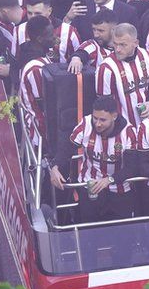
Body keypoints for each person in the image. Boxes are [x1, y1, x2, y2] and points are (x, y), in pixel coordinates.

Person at [53, 95, 138, 223]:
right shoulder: (86, 123)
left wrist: (109, 180)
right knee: (89, 230)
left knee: (120, 233)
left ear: (114, 116)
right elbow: (67, 148)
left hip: (119, 191)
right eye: (95, 118)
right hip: (90, 188)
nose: (97, 124)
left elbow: (132, 167)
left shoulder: (129, 132)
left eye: (103, 120)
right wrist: (55, 167)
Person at [96, 23, 149, 126]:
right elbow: (104, 107)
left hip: (146, 126)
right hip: (122, 130)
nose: (117, 49)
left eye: (123, 45)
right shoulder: (106, 68)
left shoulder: (145, 55)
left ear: (135, 43)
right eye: (115, 44)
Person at [16, 17, 56, 150]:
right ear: (39, 39)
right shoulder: (35, 68)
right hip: (40, 131)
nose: (54, 37)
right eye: (51, 35)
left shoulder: (37, 54)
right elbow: (43, 105)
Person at [22, 0, 80, 65]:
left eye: (38, 13)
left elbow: (78, 59)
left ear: (49, 11)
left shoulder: (69, 32)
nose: (33, 17)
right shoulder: (19, 31)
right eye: (29, 13)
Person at [67, 9, 116, 74]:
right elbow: (81, 53)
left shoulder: (126, 45)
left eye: (101, 31)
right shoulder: (92, 45)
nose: (96, 35)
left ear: (114, 29)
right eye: (94, 29)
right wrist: (76, 58)